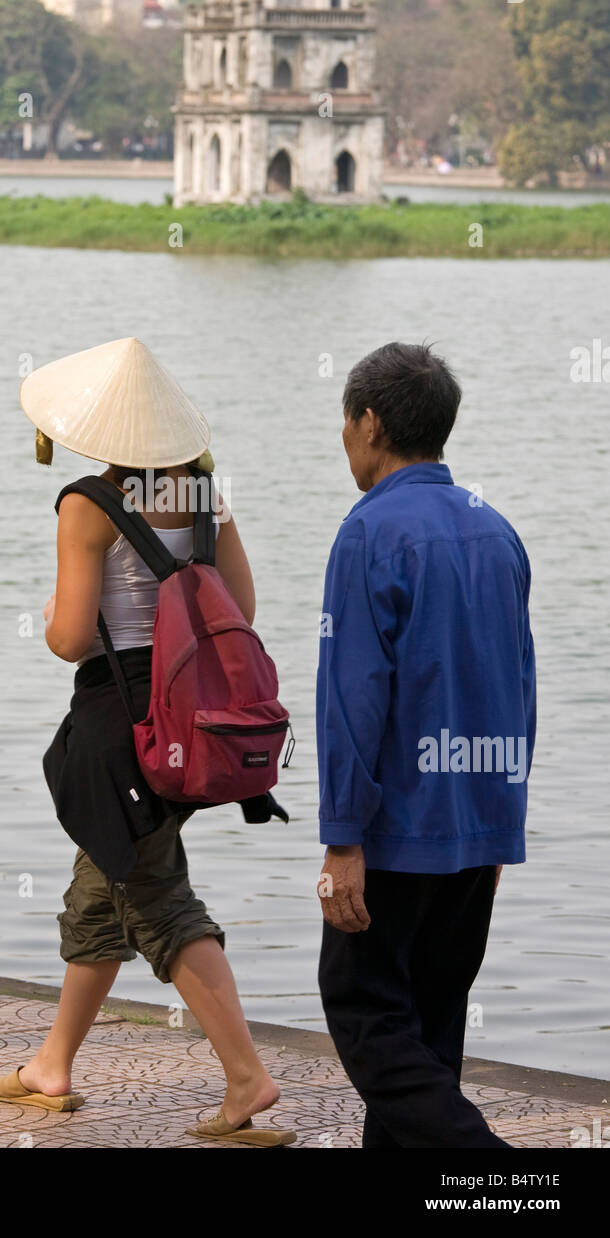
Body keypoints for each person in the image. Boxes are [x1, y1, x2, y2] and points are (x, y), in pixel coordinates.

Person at [0, 336, 295, 1147]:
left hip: (123, 732)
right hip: (190, 725)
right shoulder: (204, 496)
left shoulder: (87, 504)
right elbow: (243, 609)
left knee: (155, 897)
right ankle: (54, 1066)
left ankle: (246, 1077)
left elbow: (66, 637)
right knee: (103, 887)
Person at [316, 342, 536, 1149]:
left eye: (346, 422)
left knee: (365, 1011)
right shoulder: (496, 530)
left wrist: (342, 839)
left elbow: (351, 698)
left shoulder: (369, 532)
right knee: (431, 1034)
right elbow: (520, 686)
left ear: (370, 423)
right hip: (477, 821)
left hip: (399, 828)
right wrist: (501, 821)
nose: (344, 440)